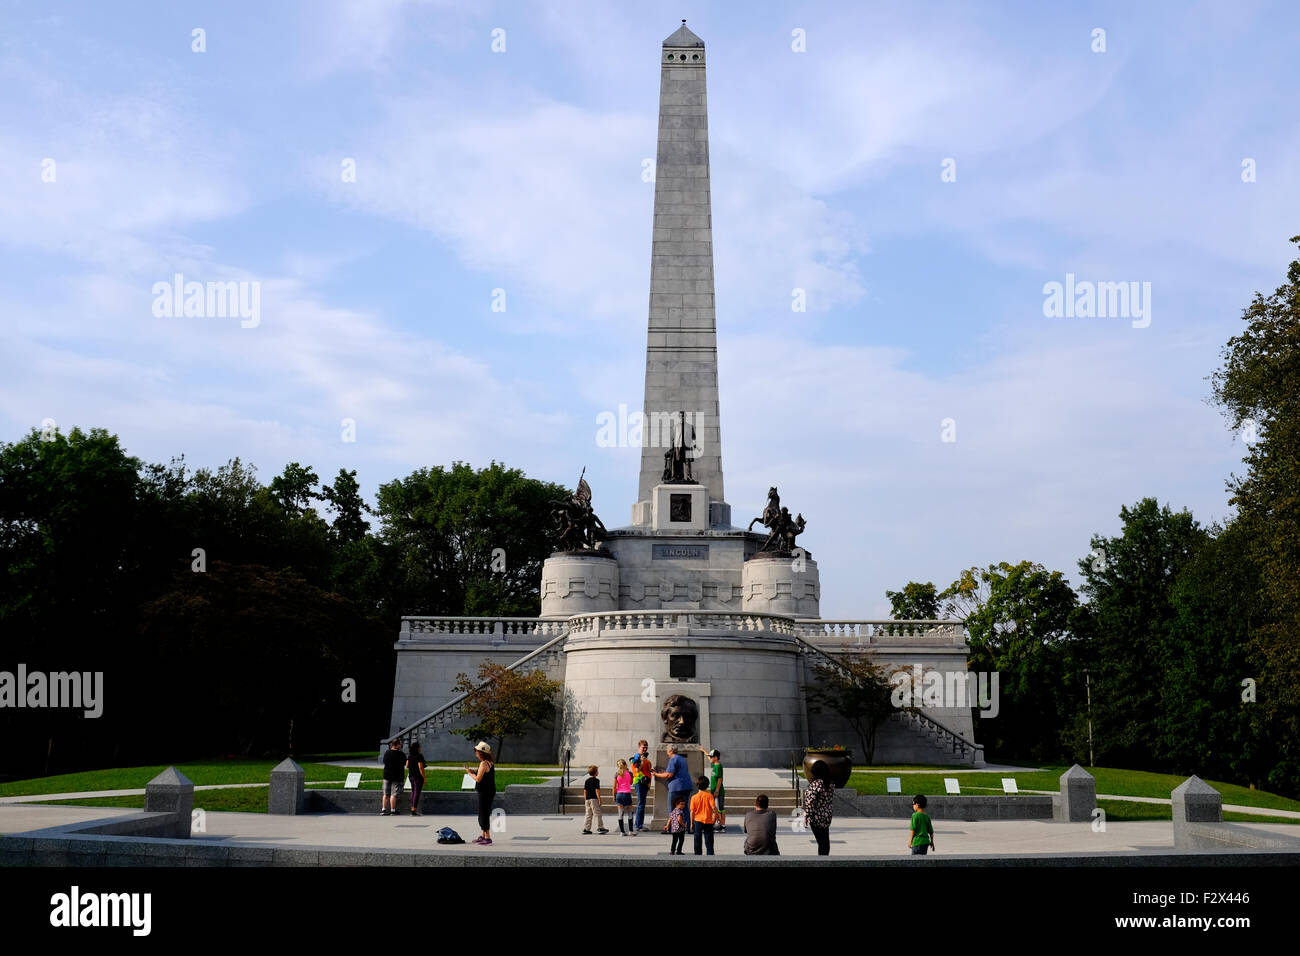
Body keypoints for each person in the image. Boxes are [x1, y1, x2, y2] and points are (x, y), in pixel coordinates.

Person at [653, 744, 693, 832]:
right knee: (685, 807)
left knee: (672, 807)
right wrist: (666, 772)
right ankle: (689, 827)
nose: (667, 752)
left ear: (670, 751)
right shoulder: (682, 759)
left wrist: (656, 774)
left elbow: (669, 774)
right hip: (686, 785)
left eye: (667, 750)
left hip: (676, 786)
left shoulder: (673, 759)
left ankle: (670, 828)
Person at [463, 741, 496, 845]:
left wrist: (469, 773)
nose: (476, 753)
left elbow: (478, 779)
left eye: (477, 752)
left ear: (481, 753)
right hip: (489, 790)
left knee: (483, 813)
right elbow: (483, 774)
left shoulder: (483, 763)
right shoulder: (489, 762)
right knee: (485, 812)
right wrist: (473, 771)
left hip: (485, 792)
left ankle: (488, 837)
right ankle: (483, 835)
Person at [803, 762, 834, 856]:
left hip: (816, 816)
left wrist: (807, 816)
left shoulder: (816, 784)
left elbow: (810, 802)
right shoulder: (830, 783)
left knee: (821, 842)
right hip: (827, 815)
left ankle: (822, 861)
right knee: (825, 841)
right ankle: (824, 858)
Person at [690, 775, 719, 856]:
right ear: (707, 785)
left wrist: (691, 823)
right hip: (708, 820)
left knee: (697, 840)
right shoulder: (709, 796)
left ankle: (698, 856)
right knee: (709, 841)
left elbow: (692, 812)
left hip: (698, 820)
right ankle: (710, 857)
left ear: (697, 785)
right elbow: (713, 807)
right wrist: (717, 816)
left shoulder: (694, 797)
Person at [629, 739, 653, 831]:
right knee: (641, 804)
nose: (645, 749)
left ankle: (639, 824)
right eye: (643, 747)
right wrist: (642, 762)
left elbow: (647, 769)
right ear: (639, 747)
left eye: (646, 747)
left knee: (642, 804)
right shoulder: (636, 757)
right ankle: (638, 825)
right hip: (640, 782)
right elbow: (636, 770)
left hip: (645, 782)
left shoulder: (644, 757)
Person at [381, 738, 406, 816]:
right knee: (393, 794)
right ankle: (392, 810)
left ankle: (384, 810)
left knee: (385, 794)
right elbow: (404, 763)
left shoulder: (387, 753)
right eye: (400, 744)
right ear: (397, 745)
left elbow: (384, 761)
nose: (401, 745)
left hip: (387, 775)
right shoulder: (401, 754)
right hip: (397, 776)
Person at [582, 765, 608, 834]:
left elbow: (585, 791)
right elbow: (597, 791)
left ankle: (586, 828)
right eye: (597, 771)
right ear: (595, 772)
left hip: (587, 799)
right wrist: (599, 799)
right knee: (597, 814)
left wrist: (585, 799)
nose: (598, 772)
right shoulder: (596, 780)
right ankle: (600, 827)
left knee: (588, 814)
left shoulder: (586, 781)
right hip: (594, 799)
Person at [705, 748, 726, 832]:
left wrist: (717, 790)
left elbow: (720, 779)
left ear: (716, 757)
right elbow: (709, 758)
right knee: (713, 807)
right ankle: (714, 822)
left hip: (719, 791)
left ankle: (722, 825)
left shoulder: (718, 766)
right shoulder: (714, 764)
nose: (710, 758)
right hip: (713, 790)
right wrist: (704, 751)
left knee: (721, 808)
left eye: (712, 757)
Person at [612, 758, 635, 835]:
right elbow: (631, 783)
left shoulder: (616, 774)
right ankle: (631, 831)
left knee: (620, 813)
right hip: (627, 794)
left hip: (619, 794)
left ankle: (622, 832)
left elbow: (614, 786)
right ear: (625, 765)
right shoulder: (630, 773)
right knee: (630, 813)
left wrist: (613, 796)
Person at [406, 741, 426, 816]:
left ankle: (413, 808)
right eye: (419, 747)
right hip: (418, 776)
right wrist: (424, 778)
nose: (420, 748)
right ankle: (413, 810)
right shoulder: (419, 756)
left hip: (411, 776)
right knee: (417, 793)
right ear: (417, 748)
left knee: (413, 792)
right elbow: (421, 767)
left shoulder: (410, 755)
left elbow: (407, 765)